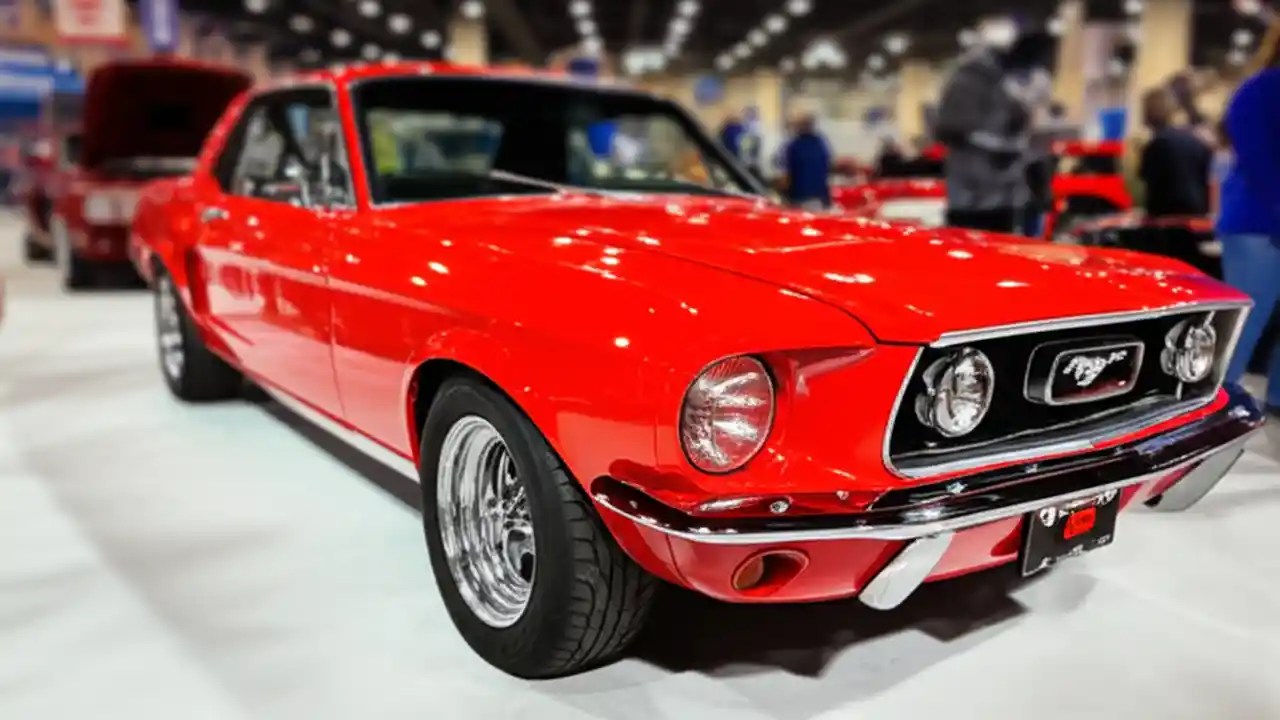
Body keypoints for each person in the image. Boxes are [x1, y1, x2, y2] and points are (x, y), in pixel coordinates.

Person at [1217, 16, 1280, 415]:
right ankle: (1211, 406)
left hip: (1259, 222)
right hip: (1259, 226)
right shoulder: (1263, 88)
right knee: (1244, 329)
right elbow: (1259, 162)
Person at [934, 17, 1031, 233]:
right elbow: (949, 128)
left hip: (1002, 193)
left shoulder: (1004, 83)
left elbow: (1018, 120)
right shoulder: (965, 80)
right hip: (972, 196)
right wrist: (996, 146)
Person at [1138, 87, 1212, 219]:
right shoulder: (1196, 141)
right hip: (1198, 214)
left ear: (1148, 114)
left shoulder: (1155, 145)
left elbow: (1147, 184)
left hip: (1166, 218)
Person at [780, 112, 832, 210]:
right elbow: (828, 166)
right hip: (819, 198)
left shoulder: (793, 146)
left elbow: (786, 177)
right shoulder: (820, 143)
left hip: (799, 198)